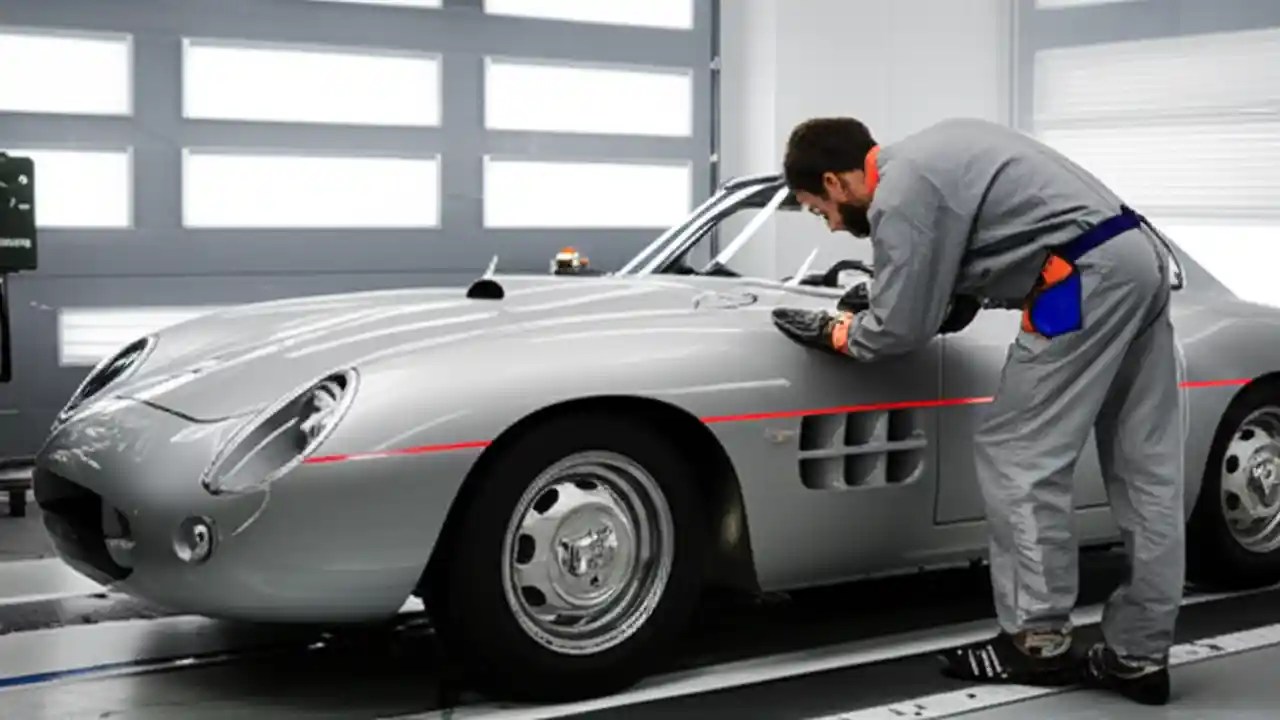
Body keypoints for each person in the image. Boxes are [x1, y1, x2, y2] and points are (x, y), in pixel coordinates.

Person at [771, 117, 1184, 706]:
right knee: (1146, 467)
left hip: (1079, 282)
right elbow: (994, 242)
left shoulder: (899, 196)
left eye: (820, 211)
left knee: (1018, 453)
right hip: (1135, 260)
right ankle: (1140, 656)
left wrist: (838, 331)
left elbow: (898, 330)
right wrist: (952, 293)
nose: (833, 226)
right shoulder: (935, 152)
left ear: (836, 182)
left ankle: (1034, 641)